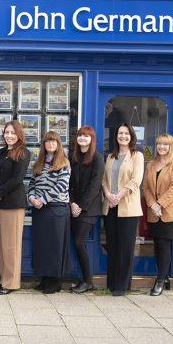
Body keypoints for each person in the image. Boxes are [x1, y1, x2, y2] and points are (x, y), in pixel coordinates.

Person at [142, 133, 173, 296]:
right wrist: (152, 204)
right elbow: (146, 188)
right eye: (159, 144)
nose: (162, 147)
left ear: (171, 146)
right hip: (154, 211)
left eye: (165, 144)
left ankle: (160, 280)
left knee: (164, 245)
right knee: (157, 245)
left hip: (170, 211)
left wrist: (160, 204)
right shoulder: (151, 164)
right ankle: (165, 276)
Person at [102, 124, 144, 296]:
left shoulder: (137, 156)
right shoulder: (110, 157)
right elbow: (103, 180)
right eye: (120, 133)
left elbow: (136, 181)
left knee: (125, 248)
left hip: (127, 208)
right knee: (112, 246)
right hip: (110, 207)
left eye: (126, 133)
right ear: (116, 136)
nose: (123, 136)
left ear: (131, 136)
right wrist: (107, 195)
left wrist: (118, 196)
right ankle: (111, 283)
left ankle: (122, 285)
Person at [0, 121, 31, 295]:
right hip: (0, 203)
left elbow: (17, 179)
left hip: (13, 204)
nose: (9, 135)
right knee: (1, 243)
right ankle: (4, 278)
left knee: (11, 245)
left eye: (13, 132)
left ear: (19, 134)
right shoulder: (1, 152)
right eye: (7, 132)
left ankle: (12, 283)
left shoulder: (23, 152)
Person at [28, 131, 71, 294]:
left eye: (54, 141)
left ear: (58, 144)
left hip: (56, 210)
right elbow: (32, 183)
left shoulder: (63, 163)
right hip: (40, 211)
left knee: (55, 246)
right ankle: (45, 279)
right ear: (44, 144)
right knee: (43, 246)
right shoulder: (38, 163)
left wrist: (42, 200)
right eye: (47, 141)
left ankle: (55, 282)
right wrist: (32, 197)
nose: (50, 144)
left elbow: (61, 186)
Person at [68, 125, 104, 293]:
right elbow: (69, 184)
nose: (82, 138)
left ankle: (88, 281)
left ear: (92, 139)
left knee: (79, 242)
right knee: (76, 243)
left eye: (86, 136)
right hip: (74, 206)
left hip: (89, 209)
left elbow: (95, 186)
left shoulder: (97, 158)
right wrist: (72, 203)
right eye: (80, 136)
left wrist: (81, 206)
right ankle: (83, 279)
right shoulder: (73, 158)